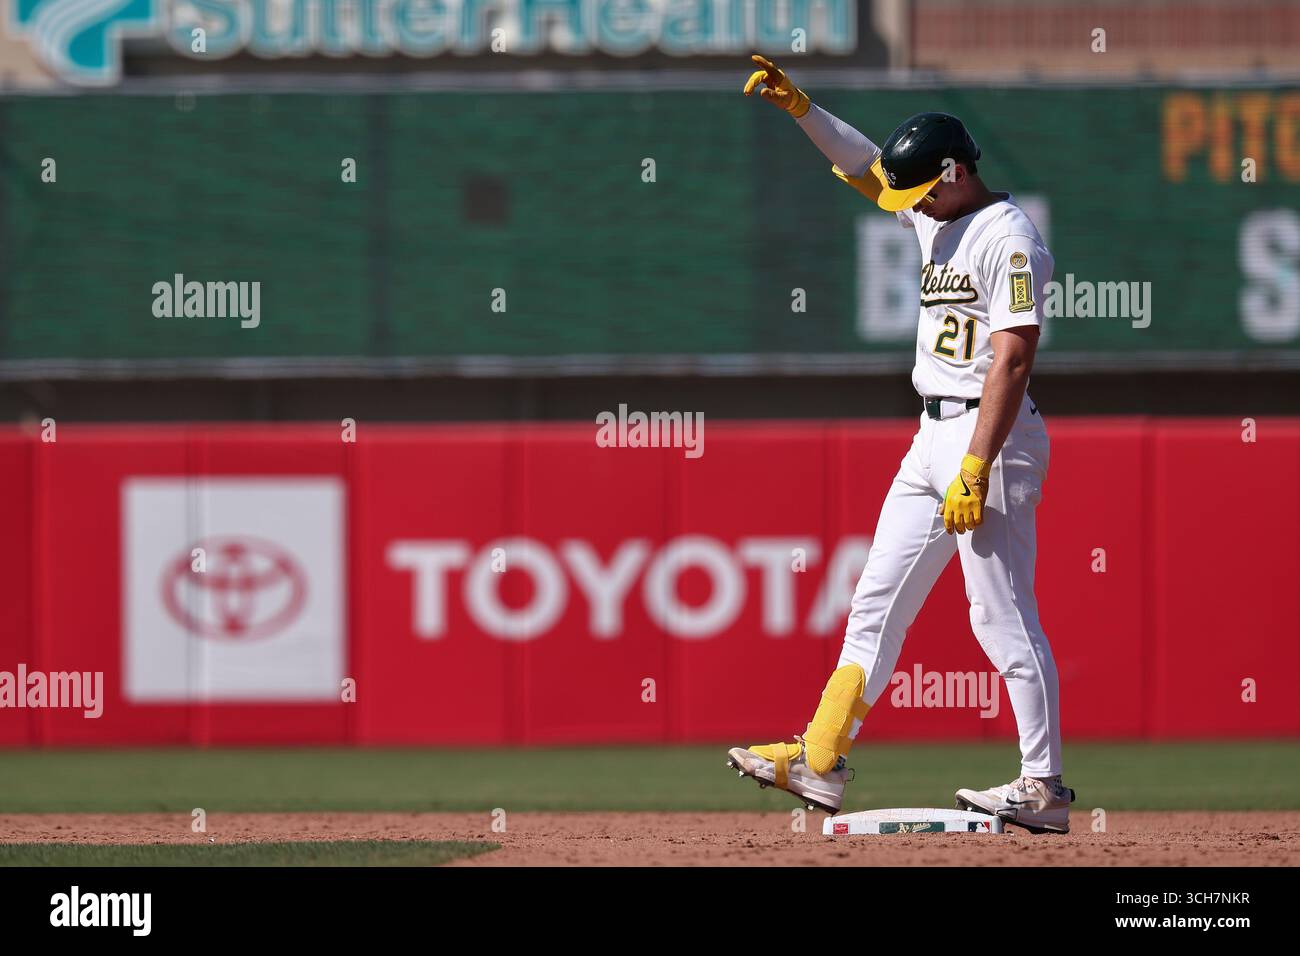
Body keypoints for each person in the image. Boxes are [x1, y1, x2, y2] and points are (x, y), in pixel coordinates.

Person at [725, 55, 1075, 834]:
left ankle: (1043, 785)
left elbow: (1015, 356)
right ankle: (819, 763)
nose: (910, 204)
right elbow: (866, 167)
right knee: (874, 606)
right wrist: (802, 109)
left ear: (956, 171)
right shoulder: (935, 210)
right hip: (929, 435)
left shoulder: (1007, 235)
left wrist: (978, 466)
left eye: (924, 190)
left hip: (993, 437)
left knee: (1002, 617)